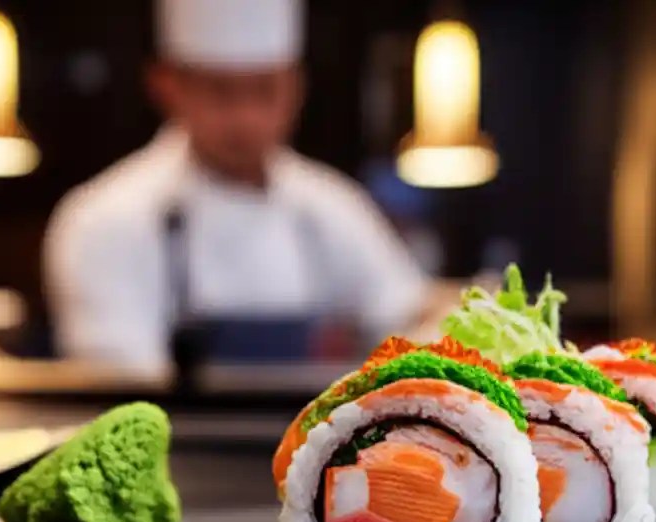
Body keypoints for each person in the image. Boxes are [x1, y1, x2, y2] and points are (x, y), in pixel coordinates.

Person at [45, 0, 431, 375]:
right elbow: (120, 381)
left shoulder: (333, 205)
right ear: (167, 86)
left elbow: (410, 321)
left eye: (265, 90)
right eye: (221, 92)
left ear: (296, 86)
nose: (246, 118)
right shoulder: (103, 220)